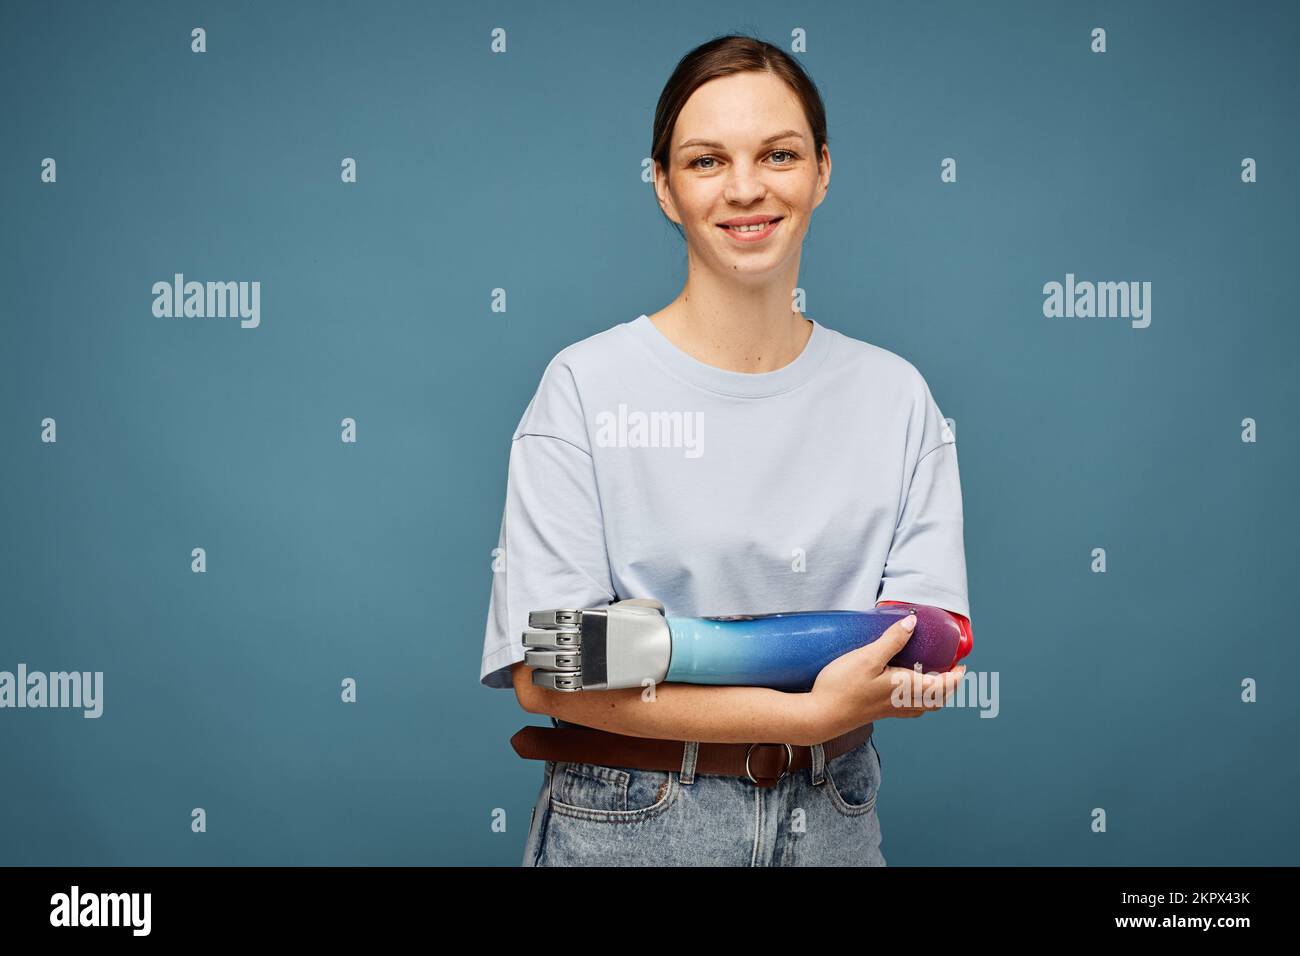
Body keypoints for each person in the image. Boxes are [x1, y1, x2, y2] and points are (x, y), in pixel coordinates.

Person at [479, 33, 971, 866]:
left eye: (777, 154)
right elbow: (547, 673)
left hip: (835, 823)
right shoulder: (584, 387)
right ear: (664, 187)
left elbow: (928, 648)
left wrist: (677, 653)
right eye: (706, 161)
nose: (747, 188)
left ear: (821, 169)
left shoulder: (898, 398)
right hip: (630, 826)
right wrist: (804, 714)